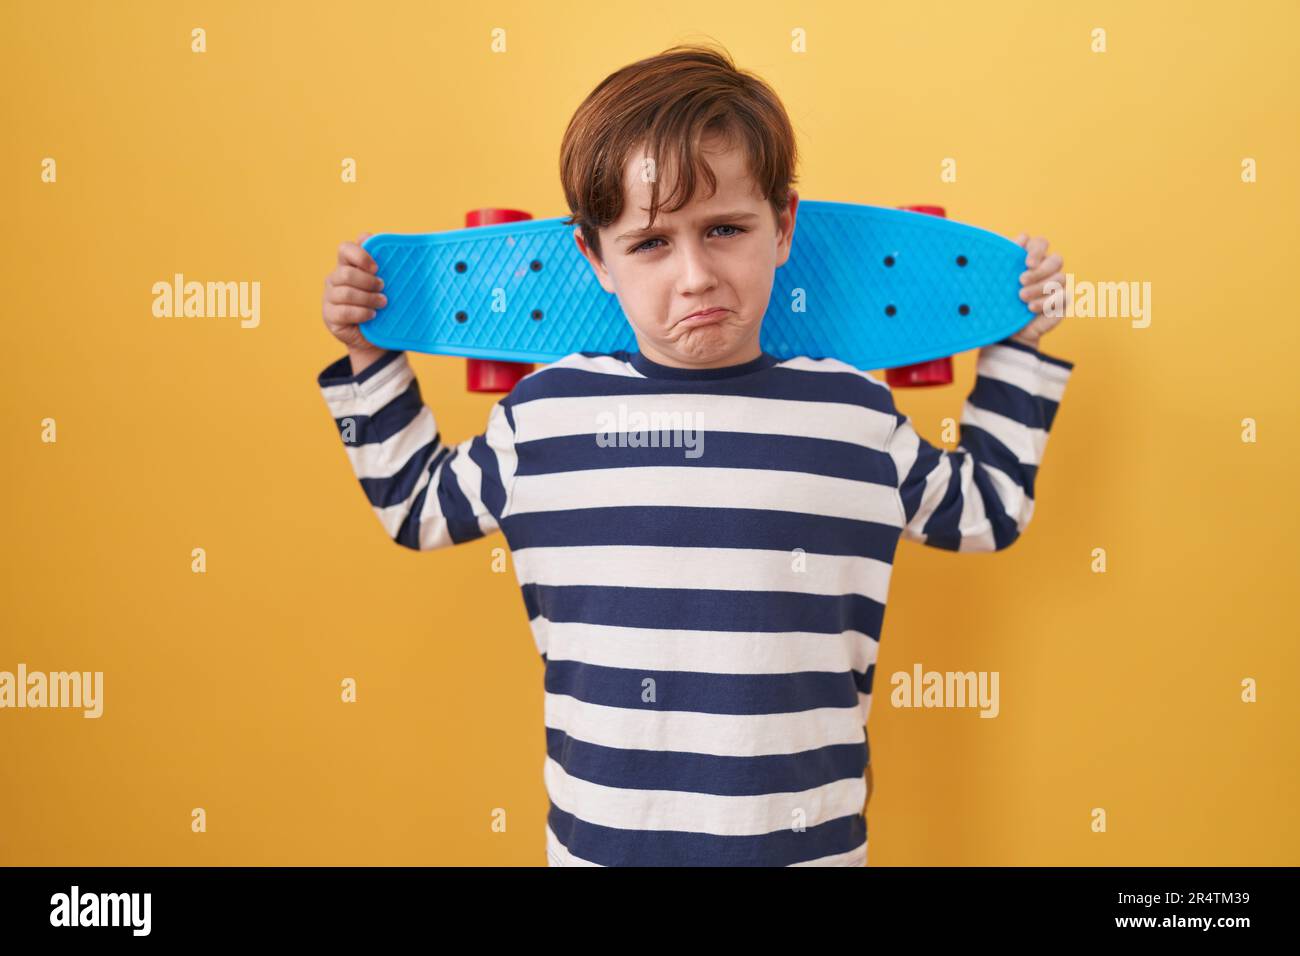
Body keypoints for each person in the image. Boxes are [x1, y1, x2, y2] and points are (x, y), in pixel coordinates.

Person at [316, 44, 1074, 866]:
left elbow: (989, 511)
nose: (696, 275)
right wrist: (368, 355)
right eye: (650, 244)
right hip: (604, 849)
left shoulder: (854, 414)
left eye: (725, 229)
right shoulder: (544, 419)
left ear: (783, 227)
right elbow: (414, 505)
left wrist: (1021, 345)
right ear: (594, 259)